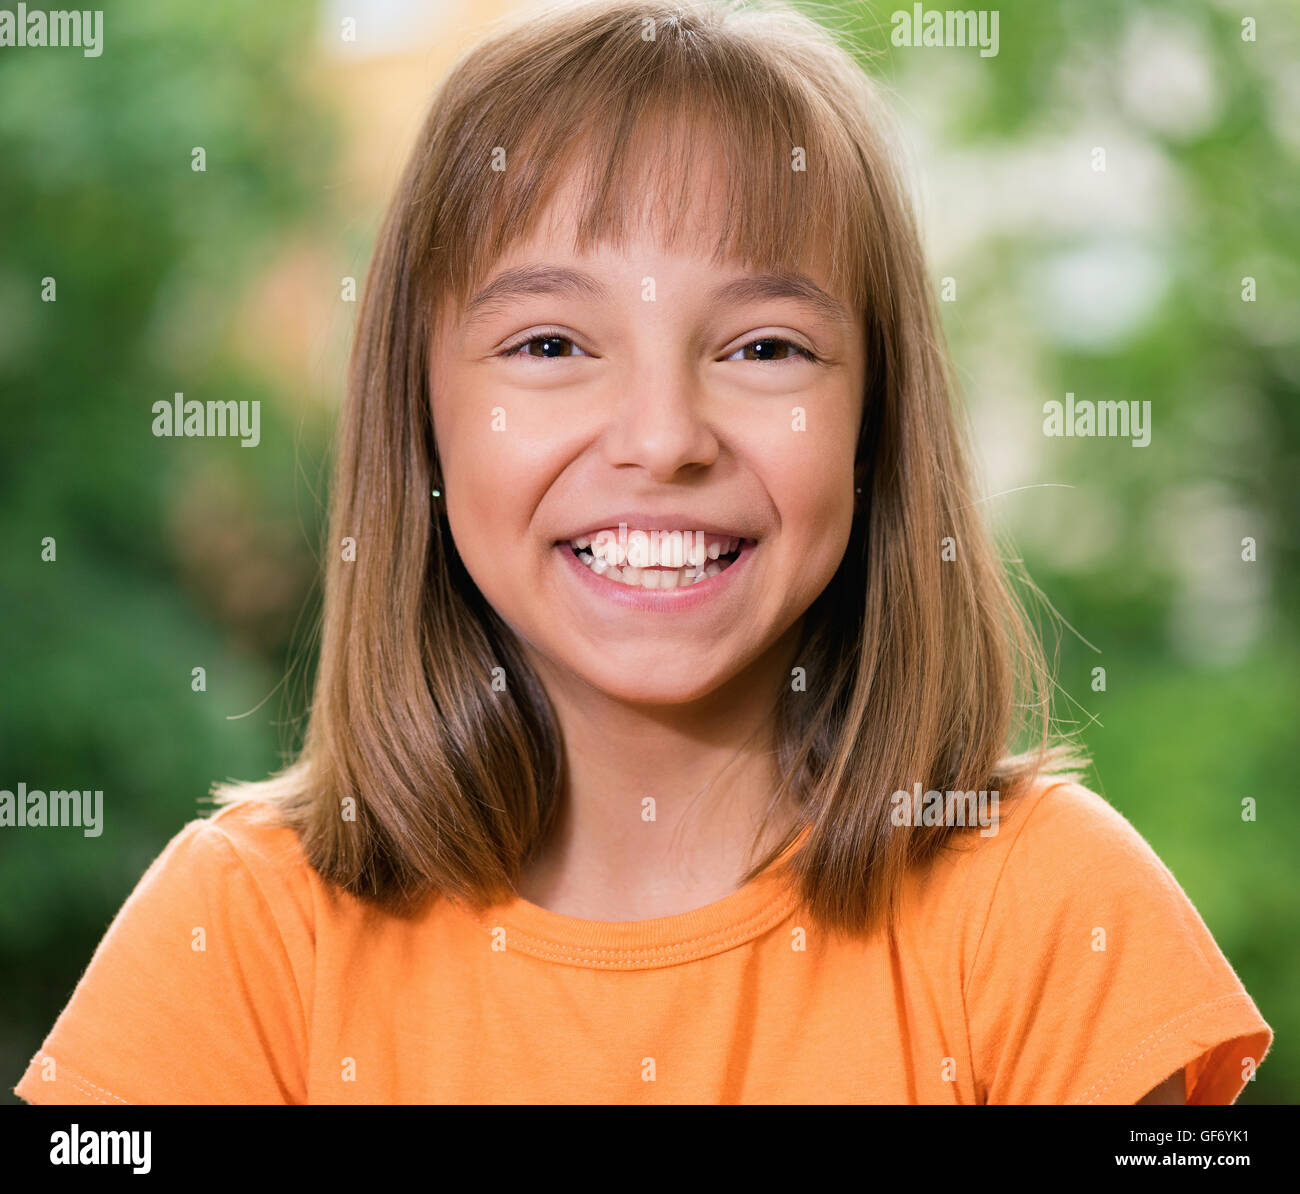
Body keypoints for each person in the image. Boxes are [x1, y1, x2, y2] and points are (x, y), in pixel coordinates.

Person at [15, 0, 1271, 1105]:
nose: (664, 438)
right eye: (552, 347)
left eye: (764, 348)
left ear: (875, 426)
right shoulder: (239, 937)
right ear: (420, 417)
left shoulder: (1051, 911)